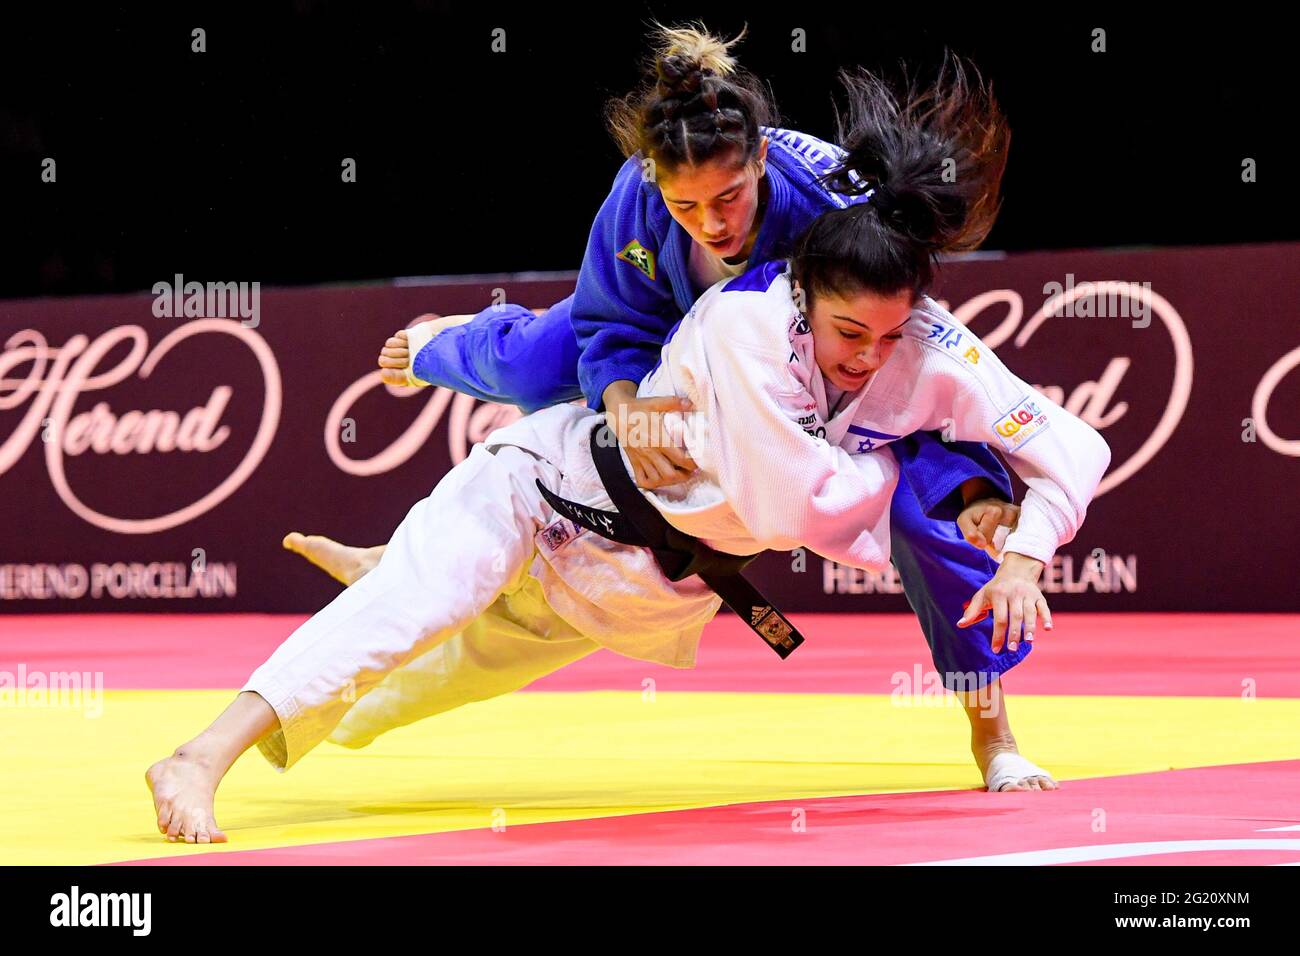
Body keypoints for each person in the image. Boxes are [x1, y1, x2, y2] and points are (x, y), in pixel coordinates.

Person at [145, 55, 1110, 844]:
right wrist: (626, 403)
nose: (717, 224)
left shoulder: (894, 306)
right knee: (536, 363)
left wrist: (1015, 537)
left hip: (649, 582)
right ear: (803, 291)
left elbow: (1057, 441)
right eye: (692, 207)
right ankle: (202, 749)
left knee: (370, 710)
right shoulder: (737, 314)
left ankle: (399, 569)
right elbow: (786, 504)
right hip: (560, 479)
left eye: (732, 199)